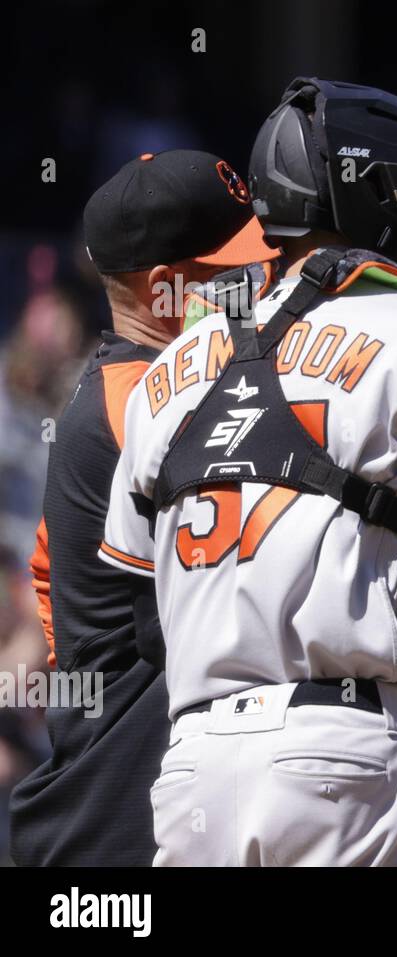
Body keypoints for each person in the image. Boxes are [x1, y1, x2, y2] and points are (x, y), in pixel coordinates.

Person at [100, 78, 397, 866]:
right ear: (364, 194)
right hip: (353, 752)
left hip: (196, 769)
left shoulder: (171, 368)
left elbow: (147, 624)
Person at [8, 150, 280, 866]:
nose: (261, 281)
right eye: (235, 269)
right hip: (125, 813)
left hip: (133, 792)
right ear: (165, 289)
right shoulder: (146, 400)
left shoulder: (128, 388)